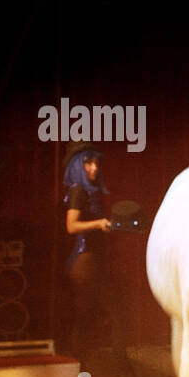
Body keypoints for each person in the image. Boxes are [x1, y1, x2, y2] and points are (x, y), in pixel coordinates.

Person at [61, 141, 115, 365]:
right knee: (85, 319)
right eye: (88, 163)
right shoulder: (78, 190)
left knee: (92, 317)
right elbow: (71, 226)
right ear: (76, 166)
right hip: (83, 262)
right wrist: (98, 224)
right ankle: (77, 372)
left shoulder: (88, 191)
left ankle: (83, 369)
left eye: (96, 163)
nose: (94, 168)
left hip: (91, 262)